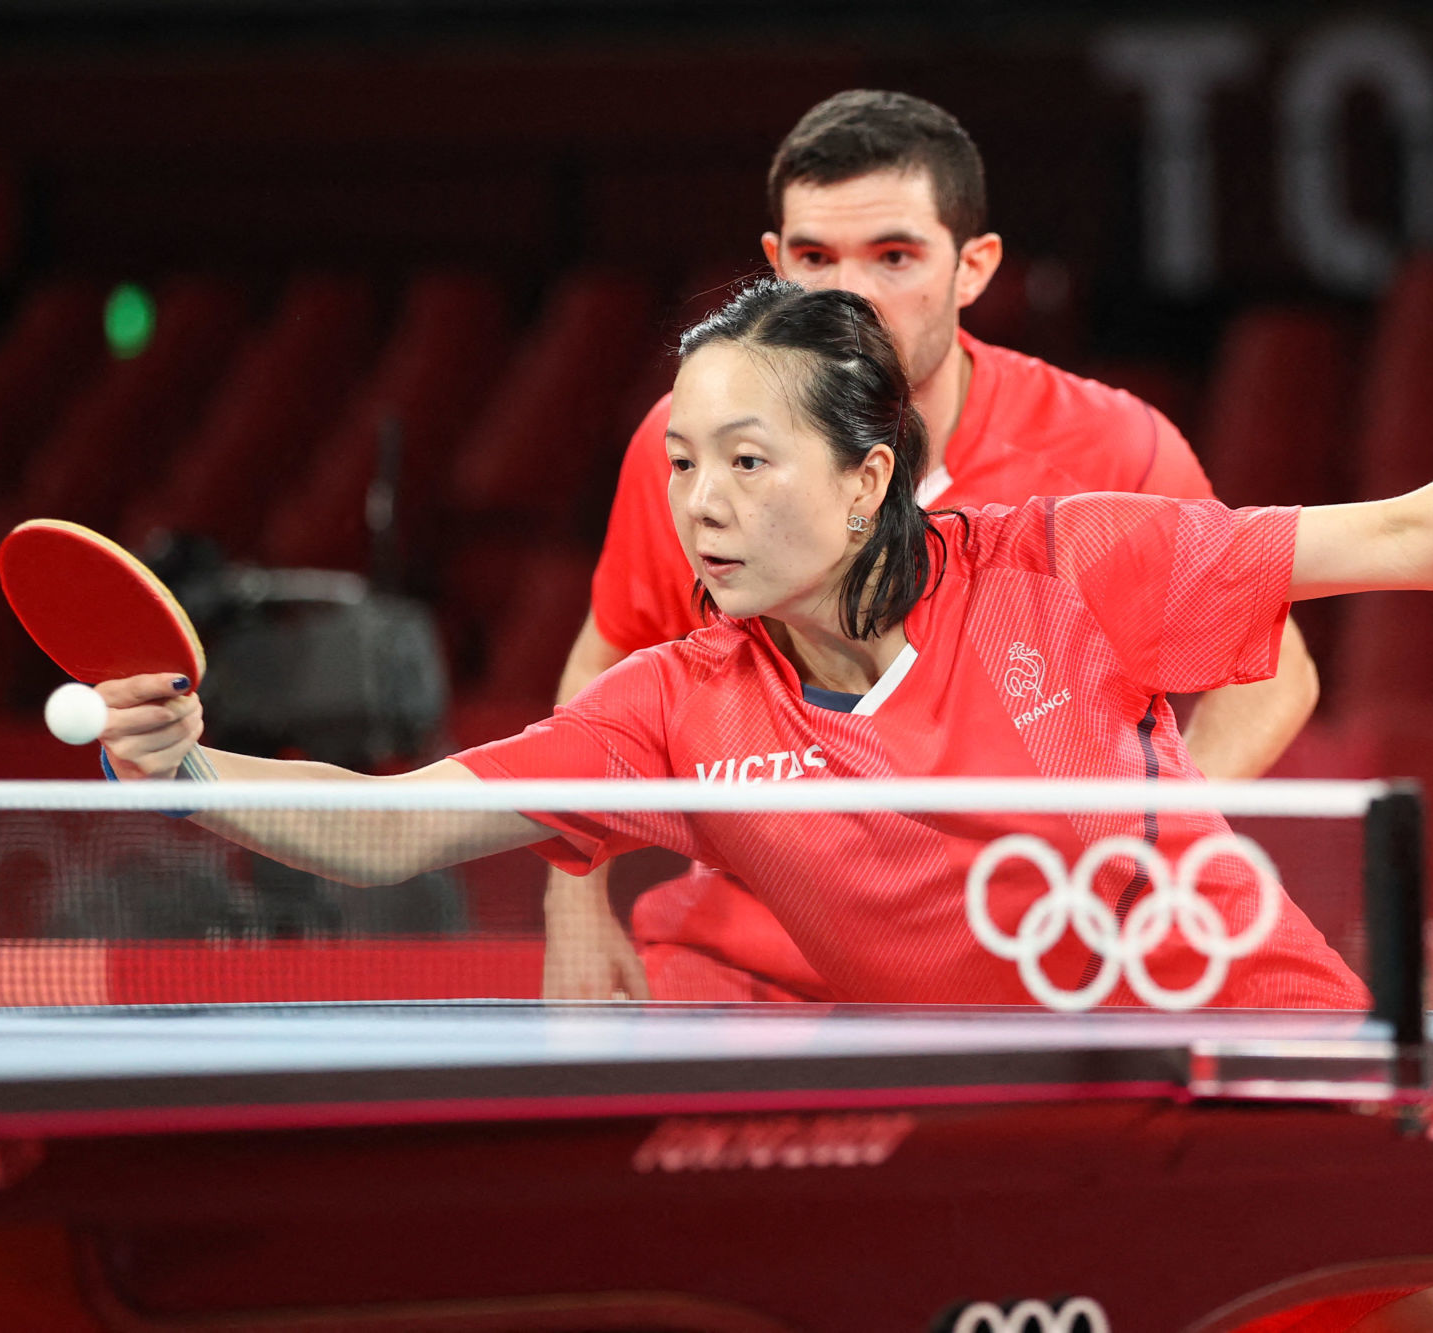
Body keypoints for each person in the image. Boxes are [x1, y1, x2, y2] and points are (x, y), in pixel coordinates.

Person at [99, 210, 1433, 1333]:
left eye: (749, 461)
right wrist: (191, 764)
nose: (703, 506)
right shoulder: (678, 699)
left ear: (870, 470)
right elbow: (399, 830)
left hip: (1257, 1049)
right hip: (1009, 1116)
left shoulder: (1064, 559)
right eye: (681, 466)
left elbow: (1409, 542)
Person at [545, 89, 1323, 1003]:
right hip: (748, 971)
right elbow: (606, 667)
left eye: (895, 256)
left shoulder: (1112, 446)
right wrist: (573, 905)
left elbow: (1279, 675)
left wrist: (1127, 853)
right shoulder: (694, 446)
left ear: (975, 266)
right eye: (813, 256)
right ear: (773, 264)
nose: (849, 294)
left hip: (1018, 961)